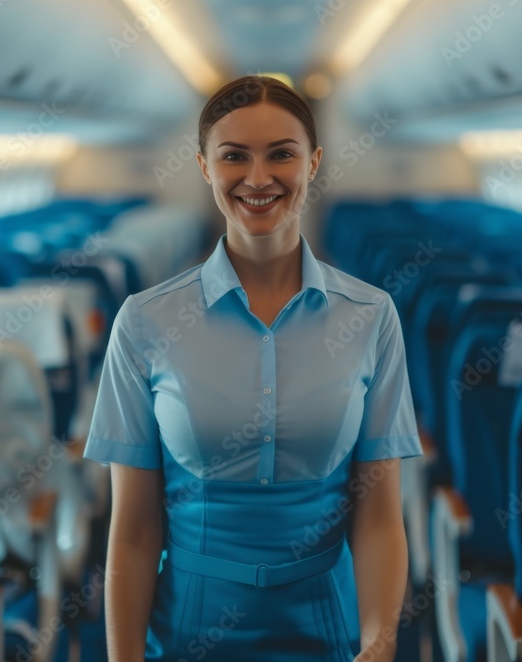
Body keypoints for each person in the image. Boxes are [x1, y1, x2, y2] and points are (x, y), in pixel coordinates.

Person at [84, 74, 421, 662]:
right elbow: (134, 530)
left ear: (313, 163)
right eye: (234, 156)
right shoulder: (145, 321)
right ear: (204, 166)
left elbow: (378, 516)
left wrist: (381, 643)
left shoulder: (371, 317)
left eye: (281, 155)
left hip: (332, 632)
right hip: (188, 633)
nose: (258, 178)